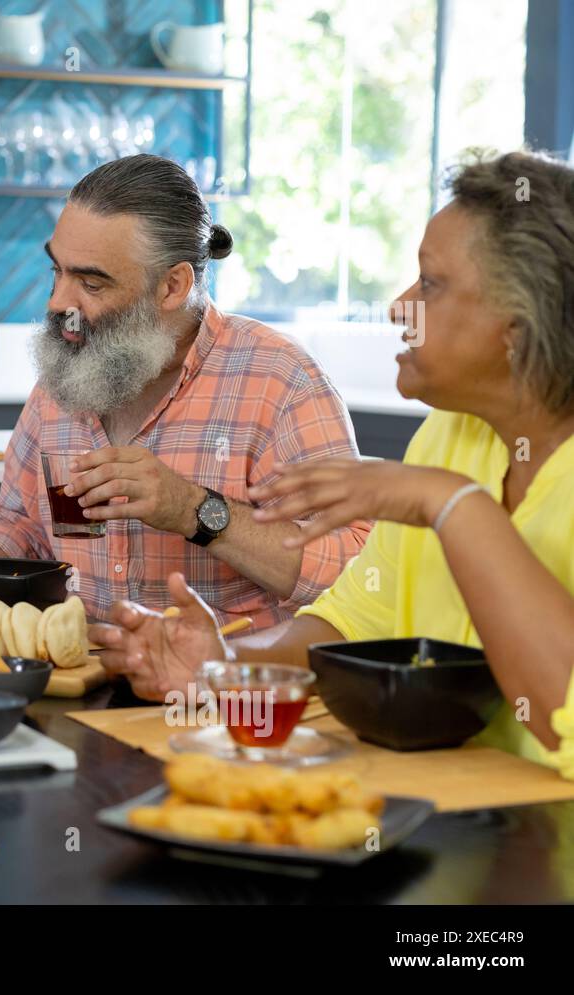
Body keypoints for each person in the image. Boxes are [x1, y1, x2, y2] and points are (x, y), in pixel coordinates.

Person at [93, 150, 574, 774]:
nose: (399, 306)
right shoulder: (453, 436)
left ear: (519, 325)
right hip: (456, 801)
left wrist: (452, 504)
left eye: (430, 285)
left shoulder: (444, 475)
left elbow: (560, 716)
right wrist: (224, 666)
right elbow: (350, 625)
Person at [0, 155, 369, 627]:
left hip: (223, 677)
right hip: (84, 667)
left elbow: (355, 573)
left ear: (172, 285)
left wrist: (192, 510)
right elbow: (20, 523)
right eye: (57, 272)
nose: (58, 303)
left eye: (91, 283)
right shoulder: (68, 369)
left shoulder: (280, 380)